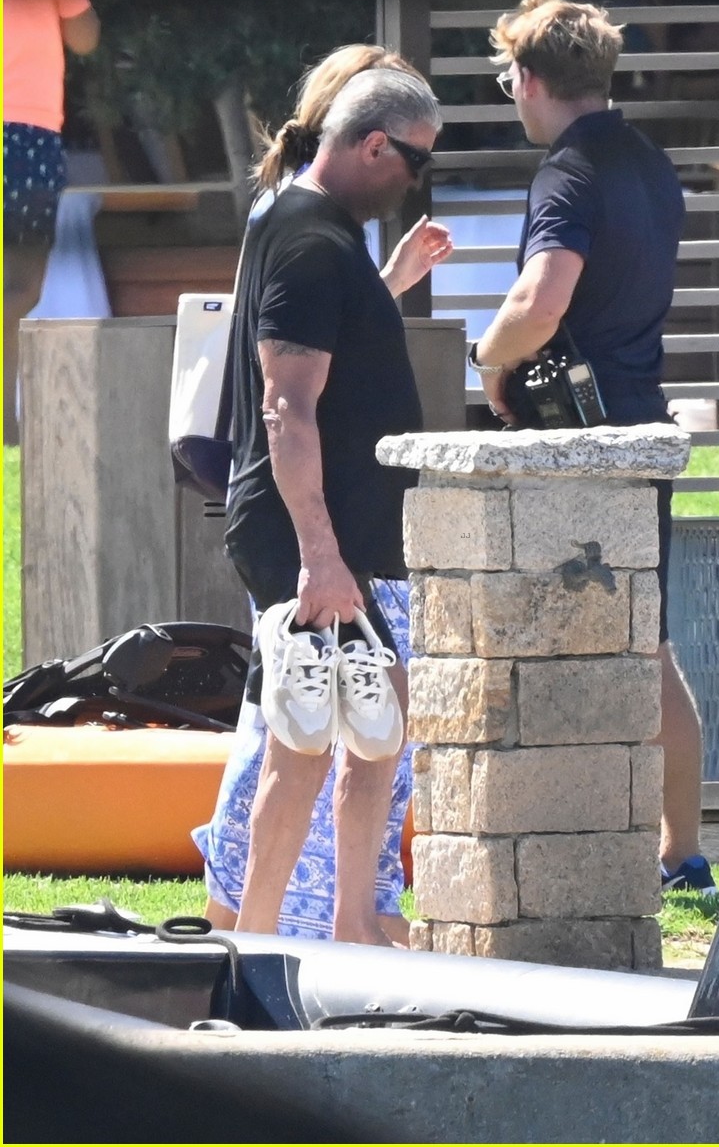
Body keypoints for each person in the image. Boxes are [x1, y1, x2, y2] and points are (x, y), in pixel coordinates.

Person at [196, 62, 450, 943]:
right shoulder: (307, 238)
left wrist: (392, 281)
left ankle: (350, 934)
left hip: (356, 538)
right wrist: (318, 555)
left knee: (378, 736)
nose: (417, 181)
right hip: (315, 540)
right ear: (375, 144)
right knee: (300, 742)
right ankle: (254, 945)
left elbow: (332, 347)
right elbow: (286, 406)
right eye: (415, 162)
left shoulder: (322, 234)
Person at [474, 0, 715, 894]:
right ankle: (683, 852)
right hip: (640, 422)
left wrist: (486, 357)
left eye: (507, 80)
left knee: (564, 642)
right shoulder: (650, 162)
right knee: (648, 649)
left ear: (530, 80)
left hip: (582, 439)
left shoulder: (569, 171)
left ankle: (573, 844)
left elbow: (542, 301)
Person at [3, 0, 100, 445]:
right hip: (25, 132)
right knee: (19, 287)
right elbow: (85, 37)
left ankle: (6, 427)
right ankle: (5, 426)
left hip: (27, 131)